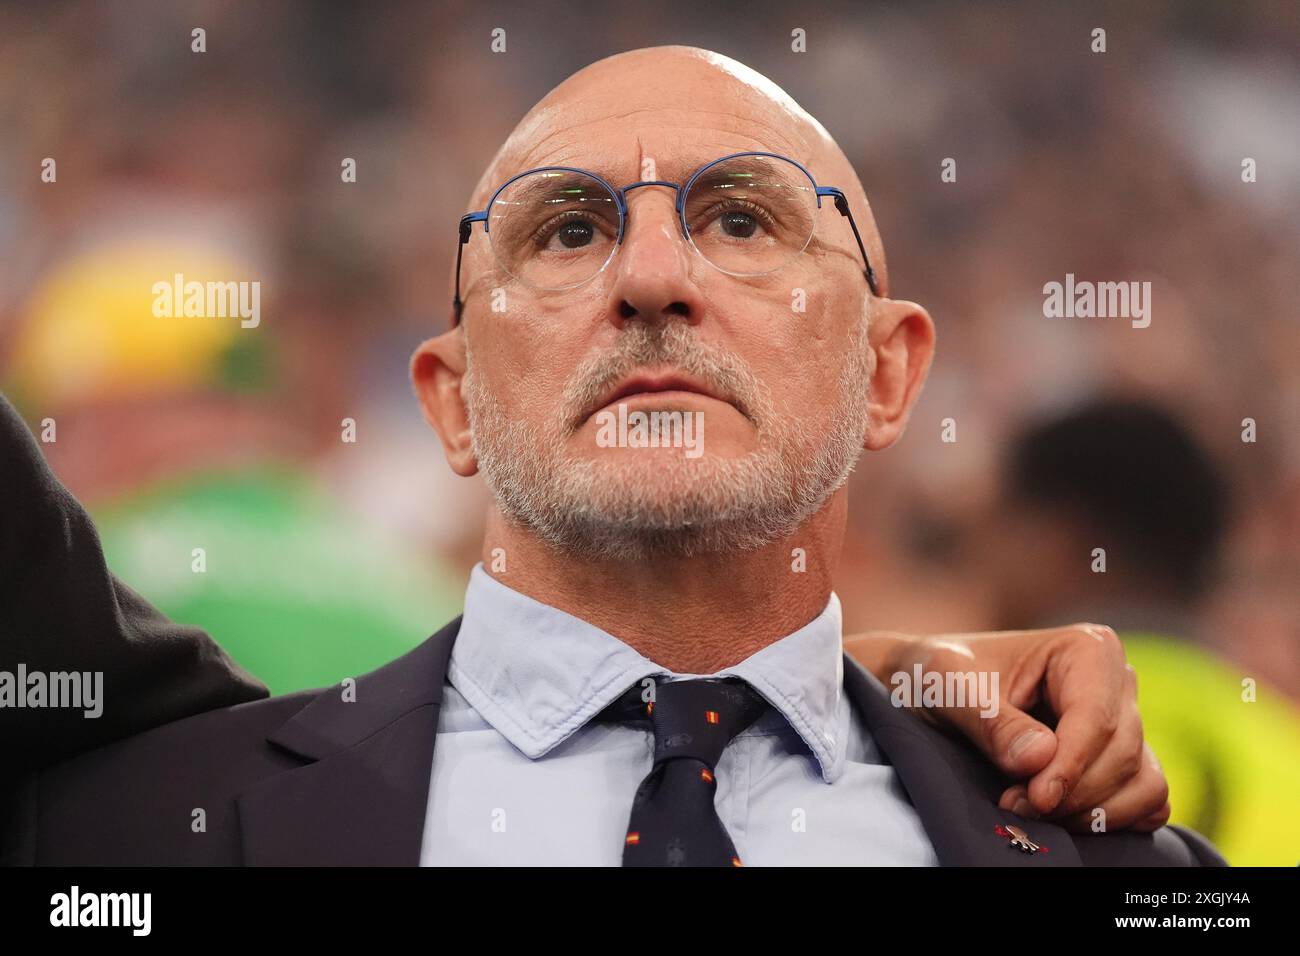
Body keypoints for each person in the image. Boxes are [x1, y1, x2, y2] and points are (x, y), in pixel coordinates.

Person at [0, 47, 1220, 866]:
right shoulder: (113, 833)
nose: (648, 276)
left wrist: (819, 688)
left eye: (741, 218)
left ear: (887, 373)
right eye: (567, 230)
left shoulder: (1128, 871)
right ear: (452, 401)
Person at [979, 398, 1300, 865]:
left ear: (1055, 538)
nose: (984, 560)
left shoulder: (1019, 739)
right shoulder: (1284, 739)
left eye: (997, 527)